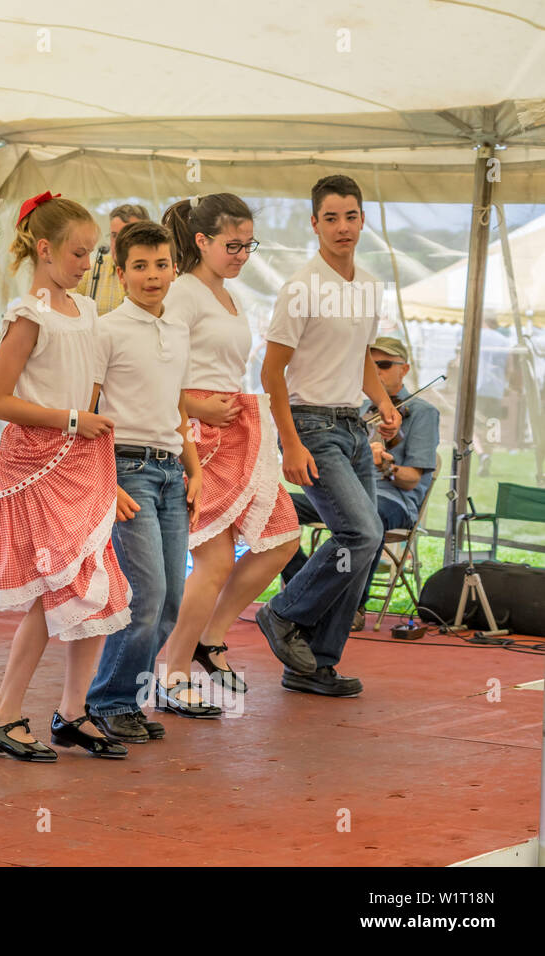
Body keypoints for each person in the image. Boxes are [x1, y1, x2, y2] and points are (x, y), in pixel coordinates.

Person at [0, 192, 131, 761]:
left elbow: (90, 387)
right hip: (39, 460)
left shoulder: (88, 312)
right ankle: (2, 713)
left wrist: (90, 434)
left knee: (96, 585)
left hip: (85, 459)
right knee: (59, 588)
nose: (86, 264)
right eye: (77, 253)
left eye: (92, 254)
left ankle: (72, 711)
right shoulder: (28, 314)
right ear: (44, 250)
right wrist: (71, 420)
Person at [154, 194, 301, 710]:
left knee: (282, 537)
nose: (242, 254)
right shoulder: (183, 293)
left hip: (237, 430)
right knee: (213, 561)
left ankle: (208, 637)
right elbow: (153, 371)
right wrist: (197, 407)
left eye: (248, 244)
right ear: (201, 241)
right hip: (196, 436)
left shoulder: (227, 294)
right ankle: (171, 674)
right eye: (232, 245)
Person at [260, 174, 398, 698]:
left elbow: (361, 354)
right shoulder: (301, 288)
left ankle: (315, 663)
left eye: (352, 216)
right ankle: (282, 613)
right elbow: (272, 373)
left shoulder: (368, 284)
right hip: (311, 425)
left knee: (368, 539)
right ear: (314, 224)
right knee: (360, 532)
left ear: (363, 221)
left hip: (353, 425)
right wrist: (290, 442)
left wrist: (383, 402)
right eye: (332, 218)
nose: (343, 227)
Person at [85, 220, 202, 742]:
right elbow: (86, 412)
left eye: (160, 265)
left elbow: (177, 404)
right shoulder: (105, 330)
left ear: (174, 268)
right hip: (125, 468)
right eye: (139, 266)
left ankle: (128, 699)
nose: (151, 276)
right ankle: (109, 701)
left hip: (172, 471)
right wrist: (105, 483)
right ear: (120, 270)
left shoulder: (178, 330)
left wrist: (194, 467)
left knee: (173, 598)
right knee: (146, 593)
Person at [281, 337, 438, 628]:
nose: (376, 371)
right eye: (370, 364)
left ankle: (353, 606)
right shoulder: (355, 407)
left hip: (395, 500)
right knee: (274, 505)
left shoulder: (423, 412)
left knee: (369, 517)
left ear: (404, 369)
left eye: (385, 365)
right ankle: (306, 587)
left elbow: (412, 480)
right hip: (345, 490)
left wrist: (387, 466)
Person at [74, 203, 148, 314]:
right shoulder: (91, 270)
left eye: (127, 235)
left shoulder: (159, 273)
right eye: (114, 235)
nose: (118, 243)